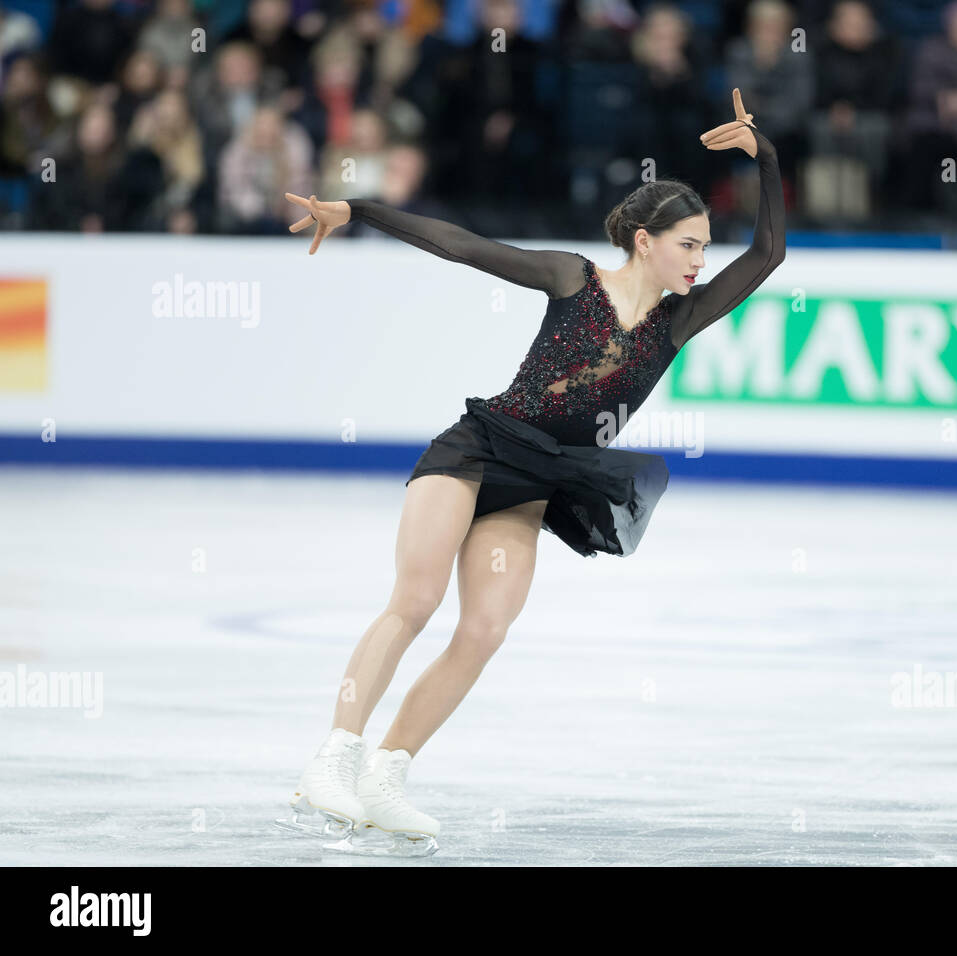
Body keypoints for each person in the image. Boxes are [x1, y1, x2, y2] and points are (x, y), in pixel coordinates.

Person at [276, 88, 786, 855]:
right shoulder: (574, 278)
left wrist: (768, 159)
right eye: (688, 244)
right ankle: (334, 756)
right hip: (475, 452)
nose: (699, 260)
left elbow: (768, 254)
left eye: (704, 248)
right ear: (645, 241)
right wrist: (360, 211)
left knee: (483, 629)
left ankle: (386, 776)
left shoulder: (679, 321)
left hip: (536, 481)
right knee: (414, 602)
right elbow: (463, 246)